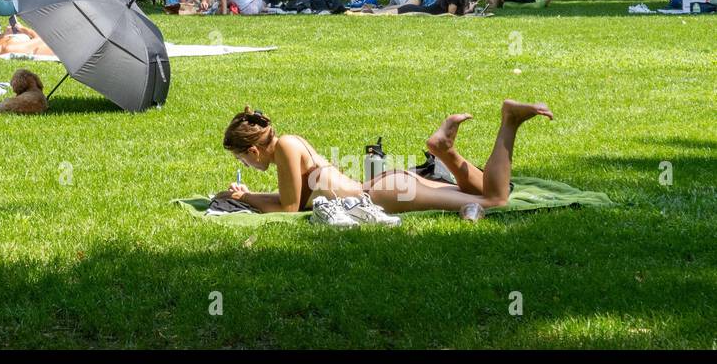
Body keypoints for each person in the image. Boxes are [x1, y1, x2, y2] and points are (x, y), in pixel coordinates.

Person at [216, 99, 552, 220]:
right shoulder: (288, 147)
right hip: (388, 186)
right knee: (483, 194)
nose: (247, 167)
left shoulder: (287, 146)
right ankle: (444, 150)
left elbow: (288, 209)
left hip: (384, 193)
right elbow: (290, 201)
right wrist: (246, 198)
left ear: (254, 151)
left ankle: (509, 120)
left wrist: (245, 198)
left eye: (243, 161)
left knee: (495, 200)